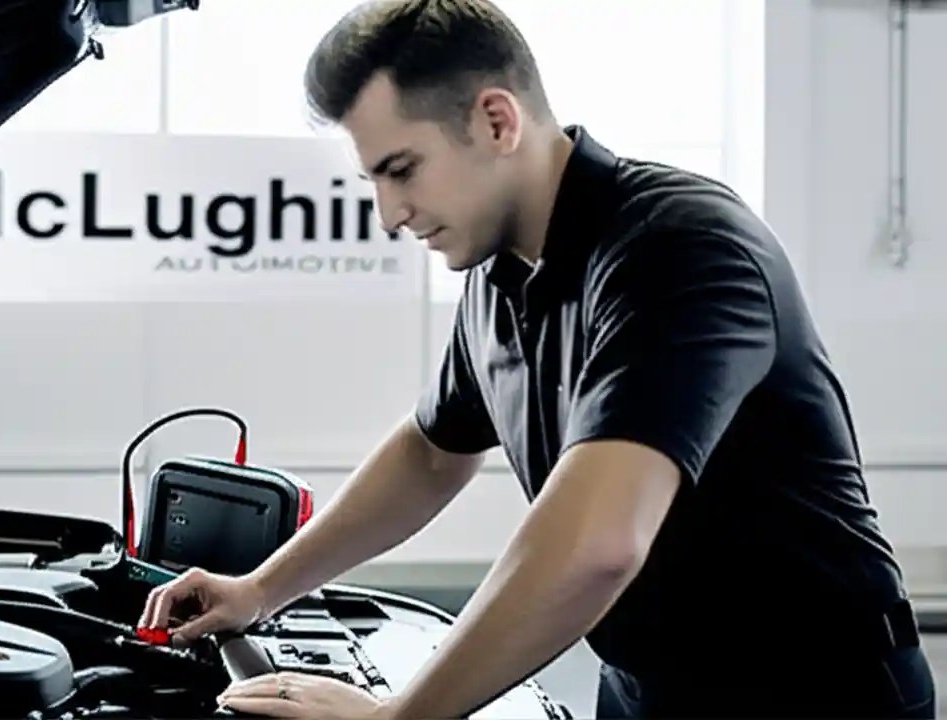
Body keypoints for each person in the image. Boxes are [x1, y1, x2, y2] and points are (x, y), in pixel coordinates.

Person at [138, 1, 937, 717]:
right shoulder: (499, 275)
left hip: (810, 692)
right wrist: (261, 588)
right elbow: (431, 452)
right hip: (646, 688)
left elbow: (598, 544)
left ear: (496, 121)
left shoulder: (679, 247)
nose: (389, 213)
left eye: (401, 170)